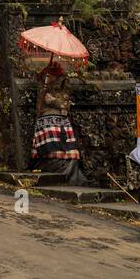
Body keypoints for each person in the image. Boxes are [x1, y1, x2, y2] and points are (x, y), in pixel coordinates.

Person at [31, 57, 86, 185]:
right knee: (49, 143)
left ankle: (67, 172)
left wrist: (54, 101)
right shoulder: (42, 81)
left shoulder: (64, 83)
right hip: (45, 118)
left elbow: (66, 104)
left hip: (61, 119)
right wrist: (44, 92)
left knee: (65, 146)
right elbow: (39, 104)